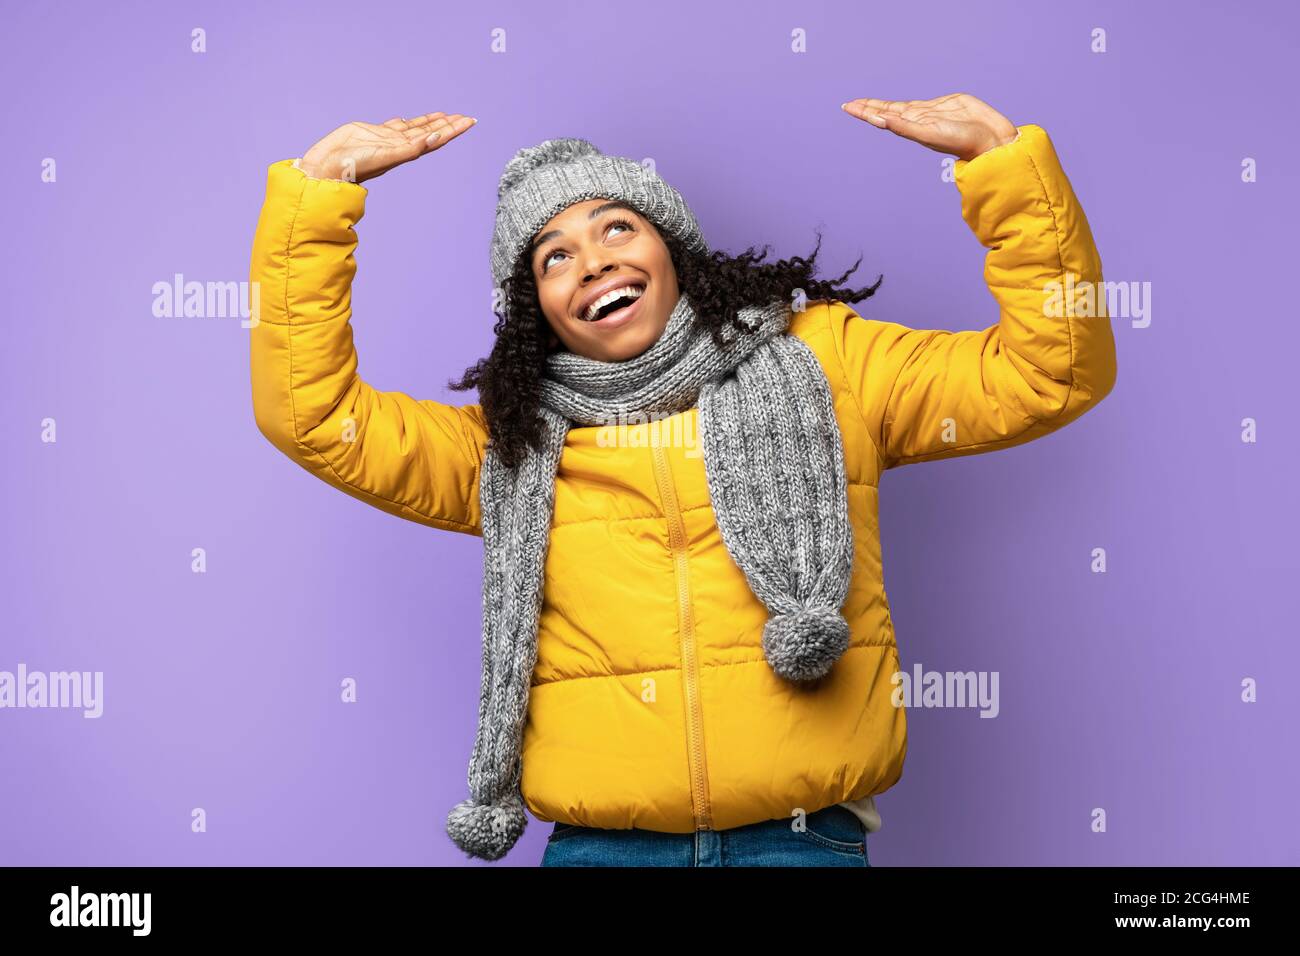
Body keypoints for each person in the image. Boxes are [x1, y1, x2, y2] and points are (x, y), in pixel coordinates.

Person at [248, 96, 1117, 867]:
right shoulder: (505, 449)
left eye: (616, 227)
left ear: (671, 246)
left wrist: (1002, 169)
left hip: (800, 841)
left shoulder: (830, 364)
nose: (590, 262)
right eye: (553, 257)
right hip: (602, 851)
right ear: (535, 309)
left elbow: (1052, 373)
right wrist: (318, 197)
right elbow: (312, 416)